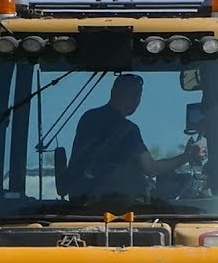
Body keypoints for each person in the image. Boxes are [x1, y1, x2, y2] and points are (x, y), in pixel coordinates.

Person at [63, 73, 204, 202]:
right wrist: (188, 156)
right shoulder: (126, 129)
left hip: (80, 202)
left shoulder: (88, 118)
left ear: (112, 92)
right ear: (136, 98)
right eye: (138, 95)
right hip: (116, 206)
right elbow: (151, 169)